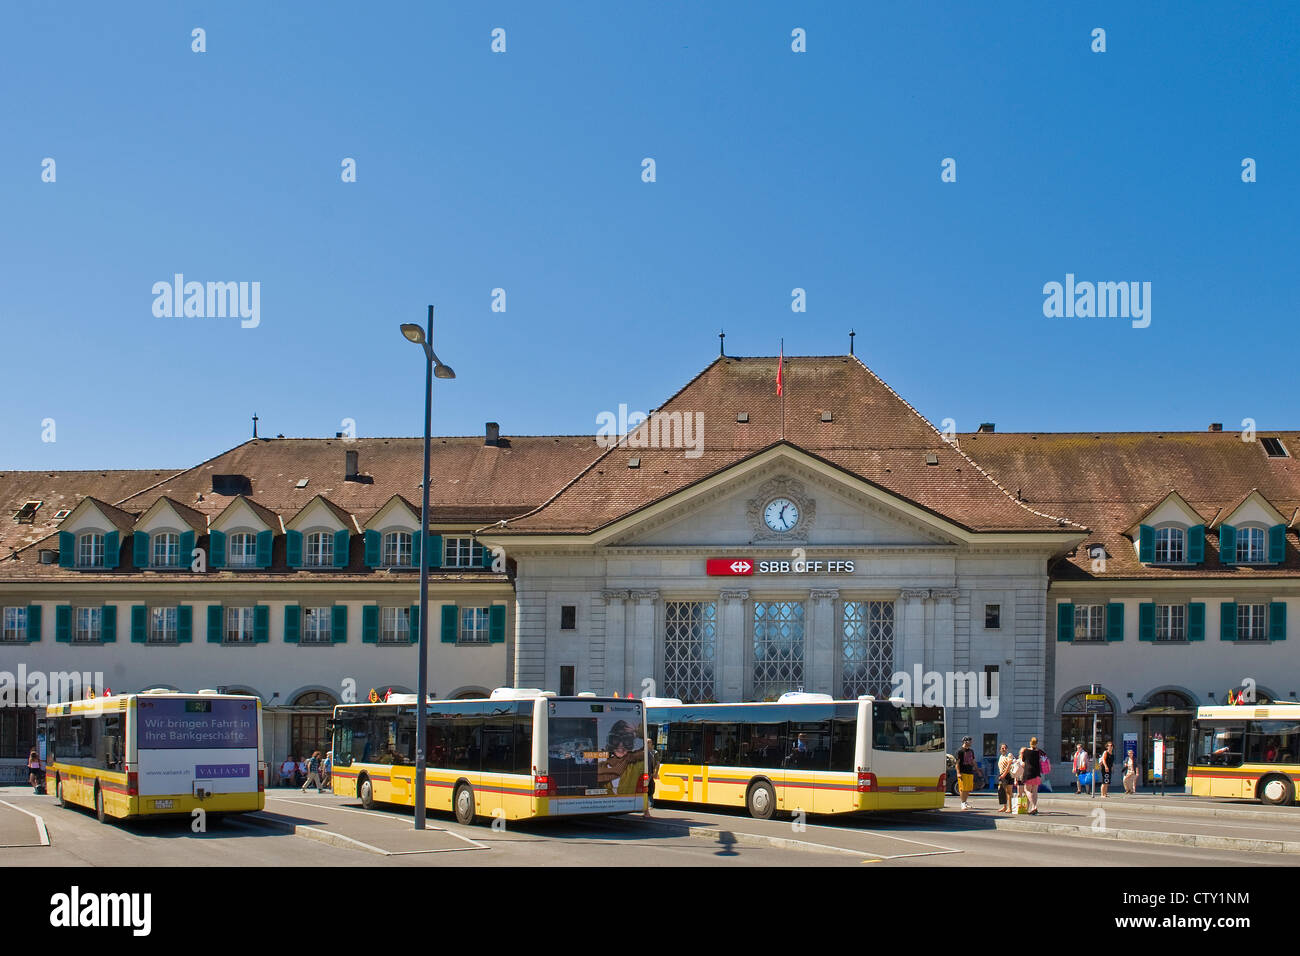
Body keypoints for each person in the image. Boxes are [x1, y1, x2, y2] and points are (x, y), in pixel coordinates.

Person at [1020, 737, 1043, 815]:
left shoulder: (1026, 751)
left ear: (1030, 742)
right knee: (1035, 791)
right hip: (1037, 773)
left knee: (1027, 790)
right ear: (1037, 743)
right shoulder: (1038, 752)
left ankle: (1033, 806)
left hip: (1028, 773)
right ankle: (1031, 808)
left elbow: (1023, 760)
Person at [954, 736, 978, 809]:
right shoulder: (959, 751)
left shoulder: (971, 751)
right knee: (963, 788)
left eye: (971, 741)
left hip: (970, 771)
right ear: (965, 741)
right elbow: (957, 763)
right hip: (962, 772)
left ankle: (965, 801)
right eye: (969, 741)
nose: (971, 743)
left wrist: (977, 769)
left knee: (968, 788)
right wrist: (958, 773)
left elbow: (973, 761)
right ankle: (962, 802)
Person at [996, 743, 1014, 812]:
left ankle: (1010, 807)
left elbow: (1009, 765)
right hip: (1002, 774)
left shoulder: (1009, 755)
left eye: (1005, 748)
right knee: (1002, 791)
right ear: (1000, 750)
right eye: (1002, 748)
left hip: (1008, 775)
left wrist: (1004, 774)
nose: (1004, 749)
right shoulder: (1001, 756)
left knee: (1009, 792)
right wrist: (1001, 775)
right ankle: (1004, 806)